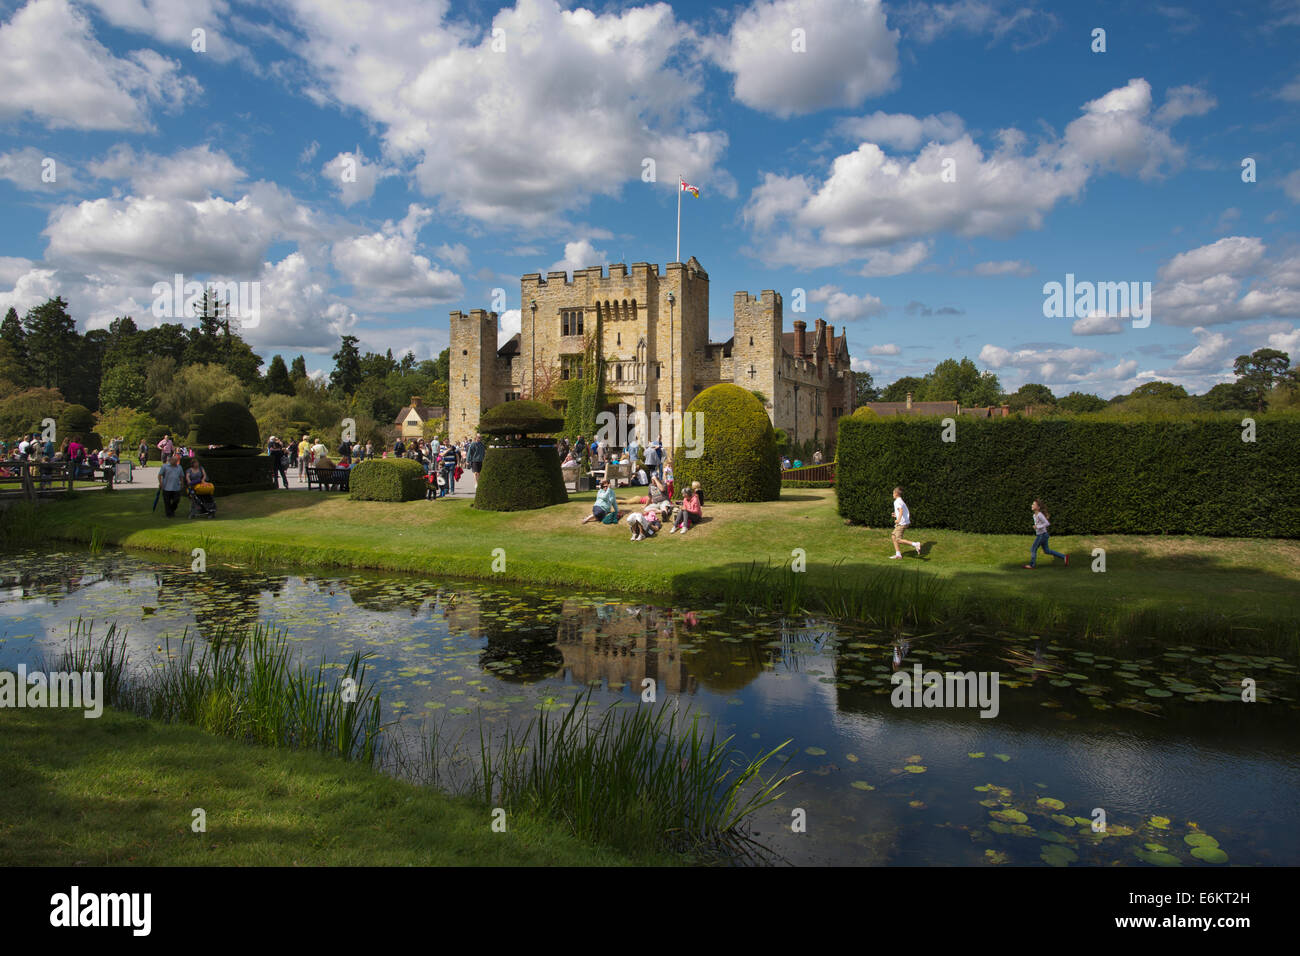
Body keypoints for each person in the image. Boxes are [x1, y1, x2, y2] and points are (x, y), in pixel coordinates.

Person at [1024, 500, 1068, 569]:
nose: (1032, 505)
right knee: (1047, 551)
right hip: (1043, 535)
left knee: (1033, 549)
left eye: (1033, 504)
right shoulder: (1034, 515)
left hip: (1042, 535)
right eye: (1032, 504)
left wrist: (1037, 527)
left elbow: (1047, 523)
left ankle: (1031, 565)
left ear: (1038, 507)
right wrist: (1037, 527)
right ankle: (1064, 557)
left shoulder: (1039, 515)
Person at [890, 486, 922, 559]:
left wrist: (898, 519)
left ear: (896, 493)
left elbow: (901, 510)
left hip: (901, 523)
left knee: (898, 539)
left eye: (893, 493)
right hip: (904, 522)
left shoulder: (897, 501)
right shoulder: (900, 500)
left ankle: (915, 544)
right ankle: (898, 554)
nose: (892, 495)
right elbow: (901, 511)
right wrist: (896, 515)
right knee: (893, 537)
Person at [158, 453, 184, 518]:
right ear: (171, 460)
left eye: (176, 461)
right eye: (174, 461)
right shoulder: (165, 467)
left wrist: (182, 483)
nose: (176, 462)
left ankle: (172, 509)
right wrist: (160, 483)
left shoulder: (179, 467)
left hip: (176, 487)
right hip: (166, 487)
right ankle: (169, 514)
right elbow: (159, 475)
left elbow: (181, 476)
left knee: (176, 500)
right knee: (167, 502)